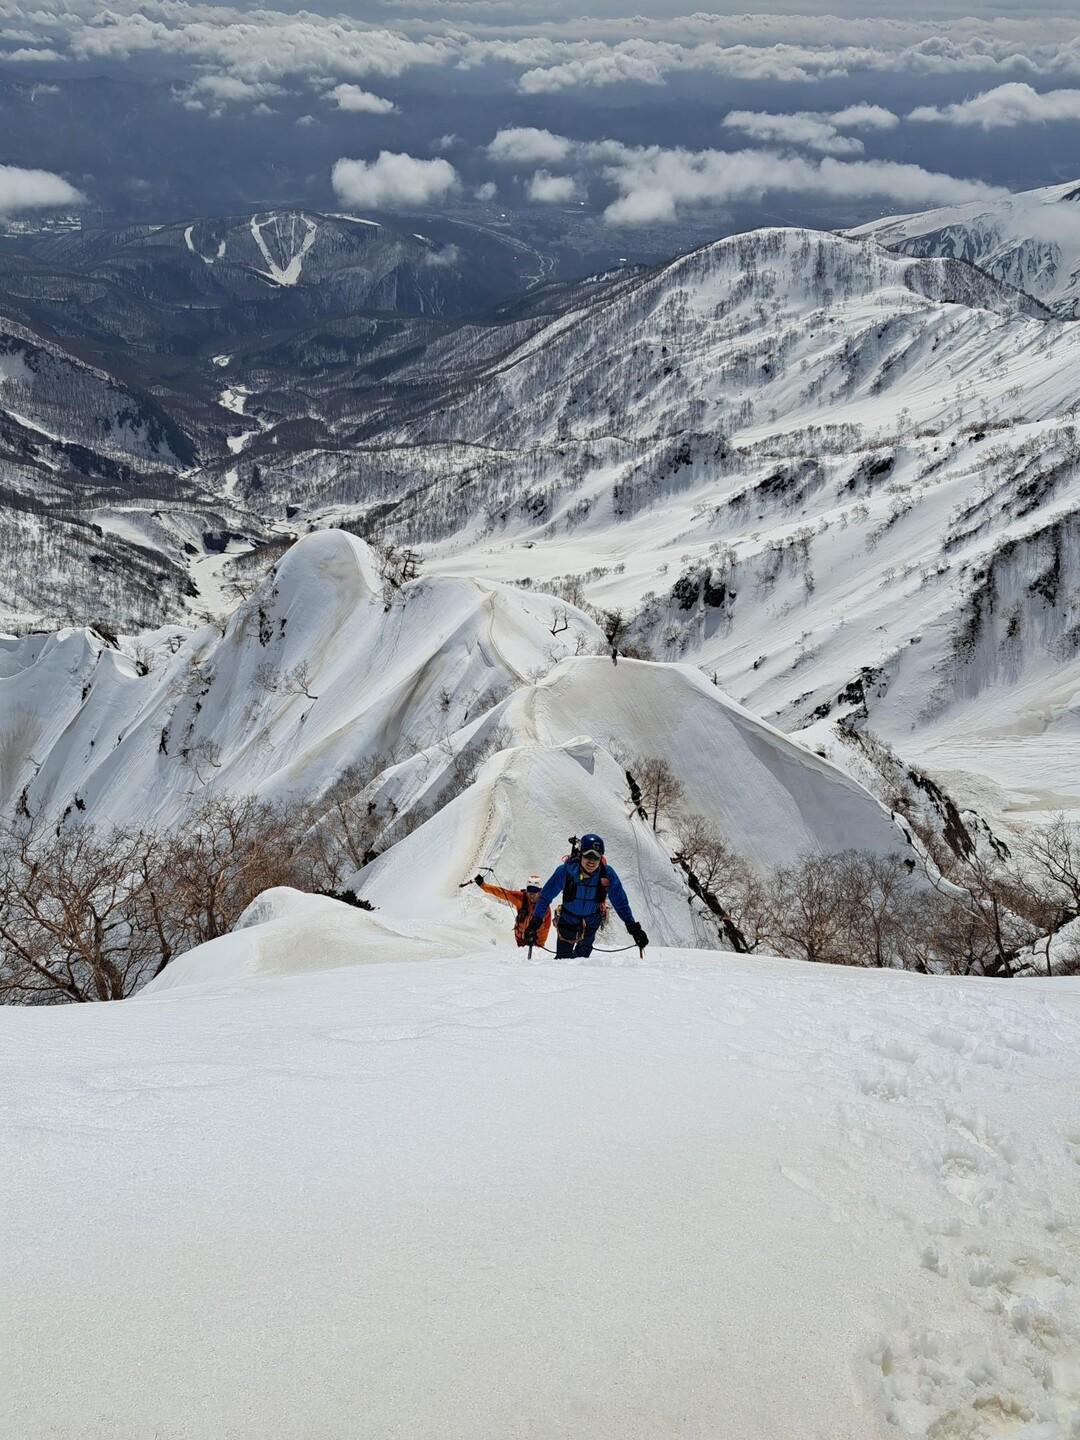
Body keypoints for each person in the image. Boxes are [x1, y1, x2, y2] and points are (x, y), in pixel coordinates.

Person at [524, 833, 648, 958]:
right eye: (588, 855)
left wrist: (633, 928)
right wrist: (534, 924)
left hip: (591, 922)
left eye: (596, 857)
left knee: (582, 959)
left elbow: (620, 902)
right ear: (580, 854)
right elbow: (545, 897)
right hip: (568, 921)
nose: (591, 861)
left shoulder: (606, 874)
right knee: (562, 961)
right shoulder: (565, 872)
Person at [474, 873, 551, 949]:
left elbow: (545, 929)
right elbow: (503, 893)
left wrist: (538, 946)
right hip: (520, 939)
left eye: (535, 890)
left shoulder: (544, 908)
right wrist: (483, 885)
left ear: (540, 891)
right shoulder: (521, 898)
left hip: (534, 940)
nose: (532, 893)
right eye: (530, 889)